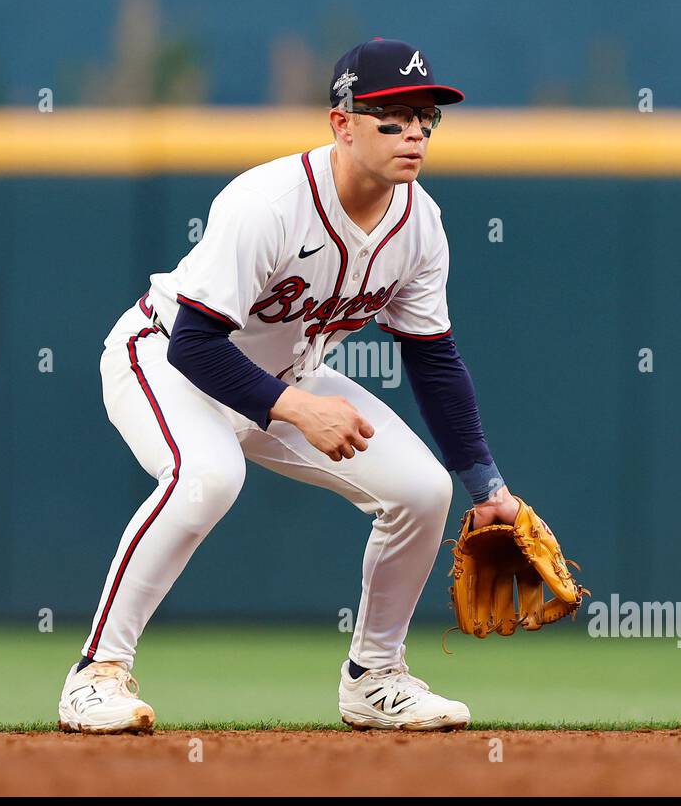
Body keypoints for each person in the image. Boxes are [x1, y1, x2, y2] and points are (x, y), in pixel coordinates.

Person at [59, 38, 521, 733]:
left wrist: (487, 487)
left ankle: (375, 677)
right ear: (341, 123)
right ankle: (96, 675)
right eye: (391, 116)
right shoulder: (268, 203)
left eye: (426, 116)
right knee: (207, 477)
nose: (415, 131)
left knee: (423, 492)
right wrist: (298, 408)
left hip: (281, 381)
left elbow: (432, 358)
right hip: (162, 359)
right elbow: (194, 343)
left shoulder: (420, 225)